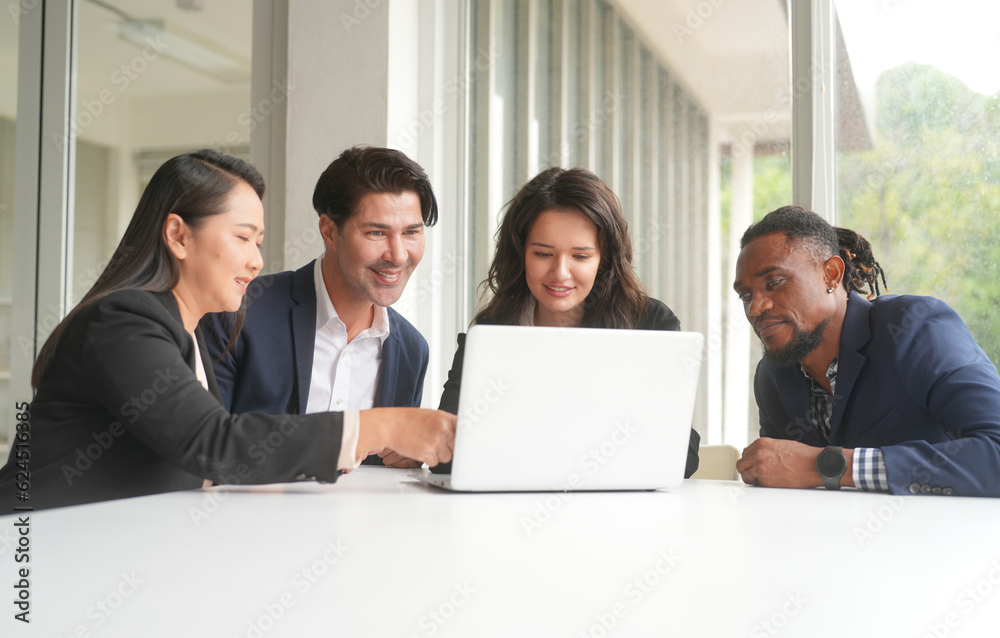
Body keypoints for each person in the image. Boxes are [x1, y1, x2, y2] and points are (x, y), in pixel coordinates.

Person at [0, 150, 455, 513]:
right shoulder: (124, 319)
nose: (257, 261)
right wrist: (384, 425)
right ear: (178, 236)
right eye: (242, 238)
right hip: (34, 561)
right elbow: (213, 442)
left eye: (258, 242)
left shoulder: (184, 333)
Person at [435, 167, 701, 477]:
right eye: (543, 253)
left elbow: (682, 457)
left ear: (605, 259)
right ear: (521, 254)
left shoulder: (651, 323)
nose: (560, 272)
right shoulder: (493, 330)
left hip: (619, 511)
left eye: (581, 256)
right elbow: (445, 454)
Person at [733, 205, 1000, 497]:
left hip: (940, 538)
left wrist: (825, 466)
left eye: (774, 283)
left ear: (831, 274)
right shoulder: (772, 375)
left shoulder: (915, 328)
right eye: (746, 294)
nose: (755, 308)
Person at [201, 146, 434, 469]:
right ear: (329, 231)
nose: (397, 255)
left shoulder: (411, 350)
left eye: (411, 232)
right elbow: (207, 452)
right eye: (376, 232)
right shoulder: (240, 312)